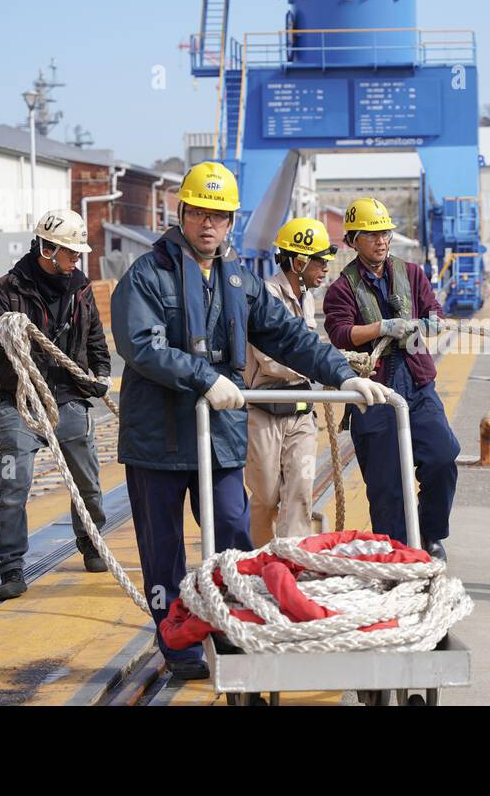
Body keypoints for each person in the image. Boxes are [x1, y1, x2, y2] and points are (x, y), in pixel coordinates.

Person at [111, 163, 389, 680]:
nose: (209, 224)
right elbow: (140, 344)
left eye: (219, 215)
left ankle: (234, 628)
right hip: (158, 440)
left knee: (234, 534)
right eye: (200, 213)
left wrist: (343, 375)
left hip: (218, 437)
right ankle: (180, 648)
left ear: (232, 220)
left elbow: (289, 337)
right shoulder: (147, 275)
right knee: (163, 550)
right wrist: (203, 379)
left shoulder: (239, 280)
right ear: (183, 213)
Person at [0, 210, 111, 601]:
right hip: (19, 402)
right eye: (71, 252)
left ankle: (92, 541)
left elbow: (96, 339)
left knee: (88, 479)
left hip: (68, 399)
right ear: (47, 249)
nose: (77, 259)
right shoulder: (7, 289)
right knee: (13, 483)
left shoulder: (80, 289)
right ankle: (11, 567)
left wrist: (99, 375)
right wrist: (3, 329)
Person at [323, 197, 461, 559]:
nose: (381, 241)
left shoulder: (412, 274)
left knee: (444, 455)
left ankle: (430, 534)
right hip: (374, 394)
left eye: (384, 233)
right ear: (353, 240)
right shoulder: (342, 288)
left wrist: (427, 323)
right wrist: (381, 327)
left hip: (417, 385)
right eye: (371, 235)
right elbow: (339, 333)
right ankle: (397, 553)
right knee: (387, 485)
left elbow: (435, 313)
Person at [243, 217, 337, 546]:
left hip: (300, 411)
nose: (325, 268)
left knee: (299, 493)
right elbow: (271, 361)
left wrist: (322, 361)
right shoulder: (263, 297)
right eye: (320, 261)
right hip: (264, 411)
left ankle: (294, 564)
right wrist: (319, 364)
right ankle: (260, 563)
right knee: (266, 496)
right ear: (299, 262)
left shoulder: (306, 297)